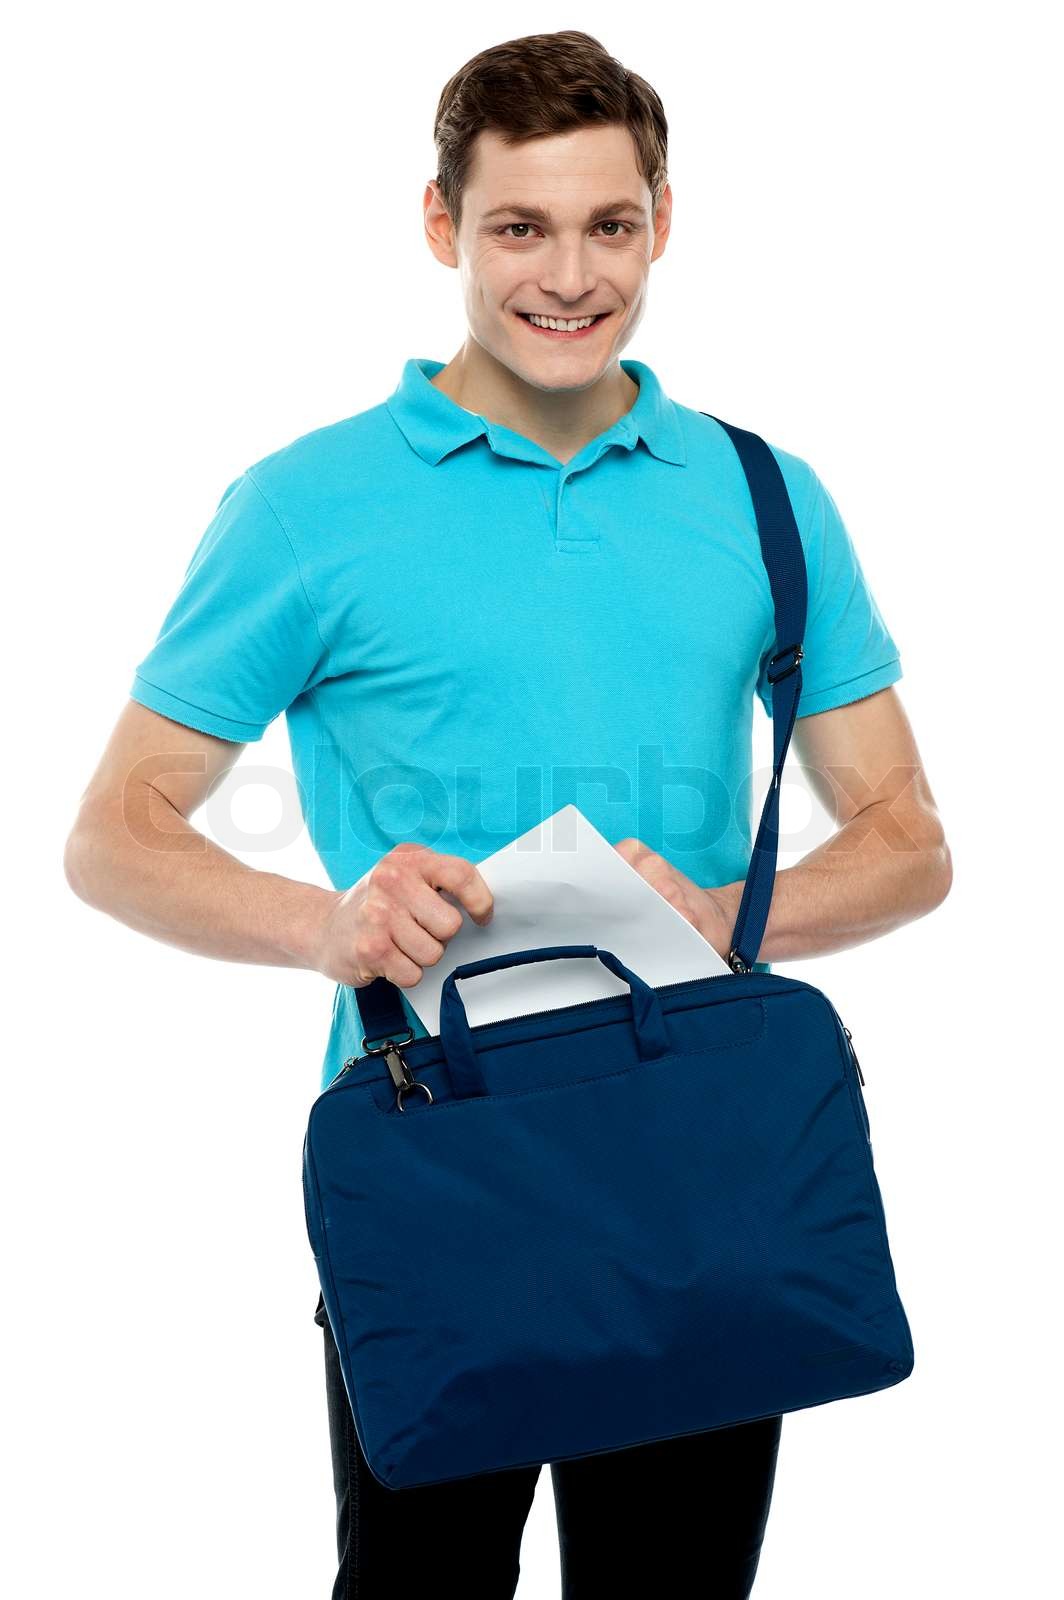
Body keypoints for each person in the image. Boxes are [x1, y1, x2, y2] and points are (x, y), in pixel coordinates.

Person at [63, 28, 952, 1599]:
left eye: (610, 225)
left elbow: (908, 842)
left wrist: (732, 914)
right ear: (442, 225)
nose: (570, 276)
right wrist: (326, 925)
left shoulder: (764, 495)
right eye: (520, 227)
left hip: (697, 1170)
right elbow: (114, 835)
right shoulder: (307, 507)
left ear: (663, 223)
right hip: (441, 1159)